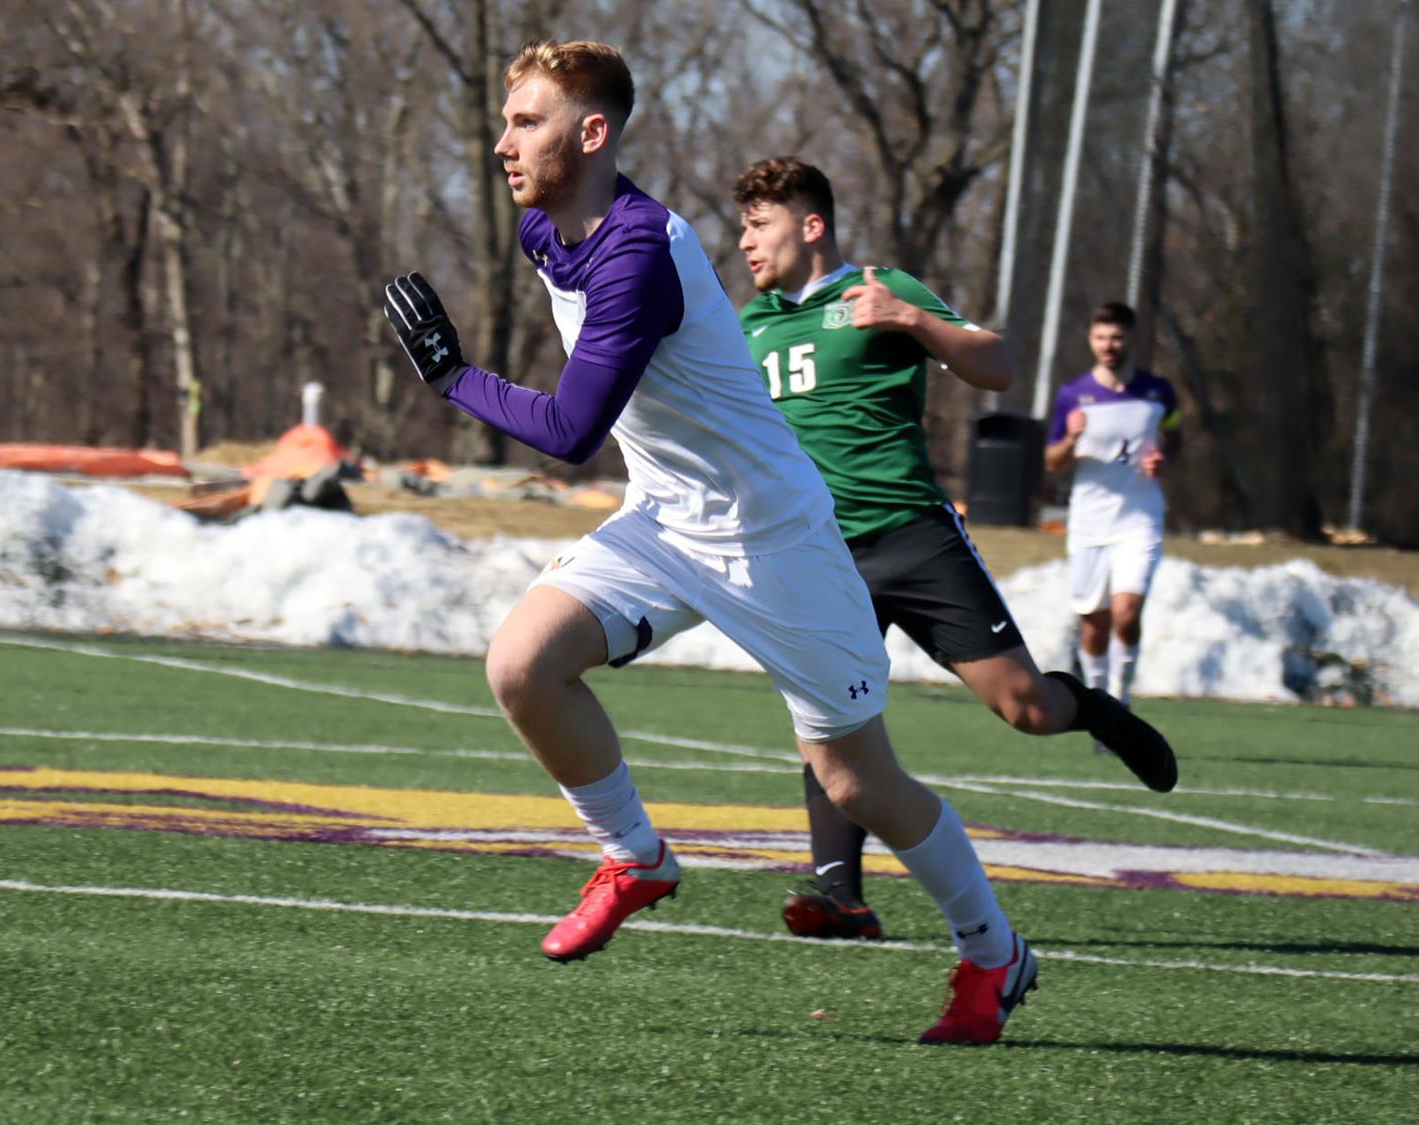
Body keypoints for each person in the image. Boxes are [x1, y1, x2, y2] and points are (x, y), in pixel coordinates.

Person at [382, 39, 1035, 1046]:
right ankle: (634, 857)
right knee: (520, 664)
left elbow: (568, 433)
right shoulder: (543, 229)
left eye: (526, 122)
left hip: (772, 537)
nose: (500, 142)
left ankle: (992, 955)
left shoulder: (637, 254)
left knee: (858, 781)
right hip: (663, 520)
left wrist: (452, 377)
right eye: (504, 121)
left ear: (591, 132)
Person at [731, 159, 1177, 942]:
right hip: (819, 557)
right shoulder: (749, 325)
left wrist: (911, 319)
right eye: (741, 226)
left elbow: (996, 365)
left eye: (758, 224)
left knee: (1025, 708)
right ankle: (842, 893)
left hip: (913, 537)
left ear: (811, 226)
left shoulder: (882, 287)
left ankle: (1094, 707)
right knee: (829, 720)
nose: (744, 243)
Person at [1044, 303, 1182, 715]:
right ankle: (1099, 703)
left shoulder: (1158, 392)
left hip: (1139, 517)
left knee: (1127, 611)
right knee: (1095, 622)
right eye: (1101, 337)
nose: (1109, 345)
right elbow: (1053, 462)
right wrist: (1069, 440)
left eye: (1117, 337)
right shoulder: (1073, 396)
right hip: (1088, 522)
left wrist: (1165, 457)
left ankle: (1121, 699)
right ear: (1091, 339)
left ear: (1132, 339)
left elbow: (1174, 433)